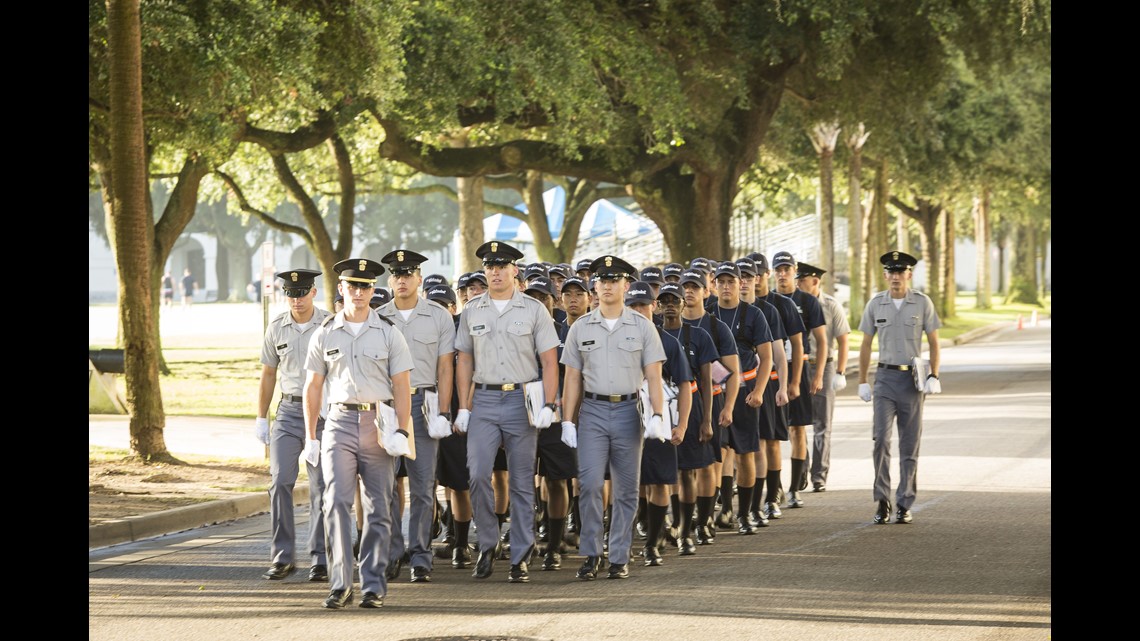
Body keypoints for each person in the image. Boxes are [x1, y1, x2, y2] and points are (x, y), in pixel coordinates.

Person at [303, 257, 414, 609]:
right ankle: (340, 583)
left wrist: (400, 429)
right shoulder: (325, 333)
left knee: (378, 505)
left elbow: (402, 386)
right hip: (338, 423)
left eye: (365, 286)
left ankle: (373, 585)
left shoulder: (389, 332)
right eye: (353, 285)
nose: (359, 292)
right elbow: (312, 386)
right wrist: (311, 436)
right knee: (334, 501)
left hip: (377, 422)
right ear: (342, 289)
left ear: (372, 290)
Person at [453, 241, 561, 583]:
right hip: (483, 400)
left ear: (516, 270)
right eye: (490, 266)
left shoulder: (533, 309)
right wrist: (464, 407)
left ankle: (521, 553)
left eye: (502, 265)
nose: (495, 271)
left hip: (521, 399)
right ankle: (488, 544)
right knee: (477, 473)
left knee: (521, 480)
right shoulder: (472, 310)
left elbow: (548, 361)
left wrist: (549, 403)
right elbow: (465, 359)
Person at [560, 257, 667, 580]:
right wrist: (567, 419)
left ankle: (619, 554)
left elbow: (653, 376)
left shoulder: (642, 326)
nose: (606, 285)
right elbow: (572, 379)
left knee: (626, 488)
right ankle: (592, 552)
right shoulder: (580, 327)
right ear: (595, 286)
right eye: (601, 280)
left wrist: (659, 414)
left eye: (613, 280)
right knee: (590, 484)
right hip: (592, 411)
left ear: (626, 286)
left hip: (627, 410)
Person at [377, 249, 456, 584]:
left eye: (408, 274)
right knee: (387, 486)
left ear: (419, 278)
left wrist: (443, 411)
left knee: (423, 486)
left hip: (423, 402)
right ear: (389, 279)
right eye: (396, 274)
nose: (401, 280)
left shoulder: (438, 316)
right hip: (388, 406)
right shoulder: (377, 316)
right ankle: (394, 552)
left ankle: (421, 555)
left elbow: (445, 367)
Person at [255, 268, 331, 583]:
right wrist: (262, 417)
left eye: (301, 293)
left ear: (313, 292)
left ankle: (321, 558)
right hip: (288, 411)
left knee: (321, 486)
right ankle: (282, 556)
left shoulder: (329, 324)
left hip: (323, 413)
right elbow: (268, 374)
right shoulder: (276, 327)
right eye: (290, 293)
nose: (296, 300)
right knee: (280, 482)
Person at [857, 251, 941, 525]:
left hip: (912, 381)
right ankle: (882, 499)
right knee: (880, 439)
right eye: (891, 272)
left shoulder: (922, 303)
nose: (895, 277)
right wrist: (862, 381)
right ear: (885, 276)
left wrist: (934, 375)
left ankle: (904, 502)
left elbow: (934, 341)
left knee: (909, 443)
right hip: (884, 379)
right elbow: (866, 343)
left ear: (909, 275)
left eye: (900, 272)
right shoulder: (876, 304)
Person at [626, 281, 692, 566]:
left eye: (644, 304)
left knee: (659, 482)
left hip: (659, 417)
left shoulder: (668, 342)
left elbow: (685, 384)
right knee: (627, 482)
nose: (639, 310)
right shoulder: (618, 337)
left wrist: (683, 425)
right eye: (633, 305)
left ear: (654, 306)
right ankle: (623, 540)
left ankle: (653, 543)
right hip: (625, 417)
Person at [706, 261, 773, 535]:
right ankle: (713, 514)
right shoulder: (708, 314)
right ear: (714, 285)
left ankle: (745, 513)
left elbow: (767, 357)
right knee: (716, 456)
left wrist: (758, 390)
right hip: (715, 393)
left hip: (745, 392)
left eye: (731, 281)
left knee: (745, 454)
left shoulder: (754, 314)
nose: (726, 286)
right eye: (720, 282)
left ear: (740, 284)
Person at [771, 251, 827, 510]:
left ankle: (795, 487)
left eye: (787, 269)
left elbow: (821, 341)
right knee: (770, 433)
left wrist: (816, 375)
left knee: (797, 429)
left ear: (795, 271)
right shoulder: (767, 301)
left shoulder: (807, 301)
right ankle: (775, 489)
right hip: (771, 370)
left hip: (799, 368)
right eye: (778, 269)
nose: (783, 274)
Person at [752, 252, 806, 520]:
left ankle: (773, 495)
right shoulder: (738, 306)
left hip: (773, 381)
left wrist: (792, 382)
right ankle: (759, 496)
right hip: (748, 383)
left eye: (760, 273)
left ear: (766, 274)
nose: (756, 279)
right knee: (755, 444)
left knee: (772, 441)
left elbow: (794, 346)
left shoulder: (779, 306)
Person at [795, 262, 850, 493]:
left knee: (822, 424)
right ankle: (801, 472)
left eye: (802, 279)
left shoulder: (830, 305)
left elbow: (843, 339)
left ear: (815, 281)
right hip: (800, 366)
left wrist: (840, 372)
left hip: (823, 366)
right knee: (798, 424)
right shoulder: (793, 303)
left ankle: (819, 474)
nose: (798, 283)